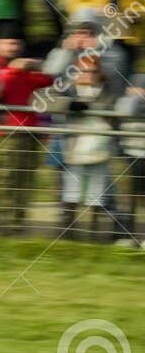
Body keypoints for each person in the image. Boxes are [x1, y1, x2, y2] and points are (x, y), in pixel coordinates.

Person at [0, 36, 54, 236]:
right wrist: (18, 69)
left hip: (30, 133)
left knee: (24, 180)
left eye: (15, 44)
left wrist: (33, 66)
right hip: (5, 133)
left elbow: (51, 80)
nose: (11, 48)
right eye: (6, 43)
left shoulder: (31, 74)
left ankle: (15, 226)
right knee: (3, 180)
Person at [54, 54, 122, 240]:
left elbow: (116, 112)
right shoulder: (68, 90)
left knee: (96, 192)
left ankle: (92, 234)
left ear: (99, 73)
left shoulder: (108, 92)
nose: (88, 75)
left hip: (99, 148)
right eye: (83, 71)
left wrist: (97, 108)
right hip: (75, 148)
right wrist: (71, 104)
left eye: (92, 71)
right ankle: (67, 234)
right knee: (71, 189)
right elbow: (48, 101)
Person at [116, 71, 145, 247]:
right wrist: (136, 98)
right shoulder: (124, 101)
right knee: (128, 199)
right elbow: (126, 111)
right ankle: (126, 236)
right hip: (129, 154)